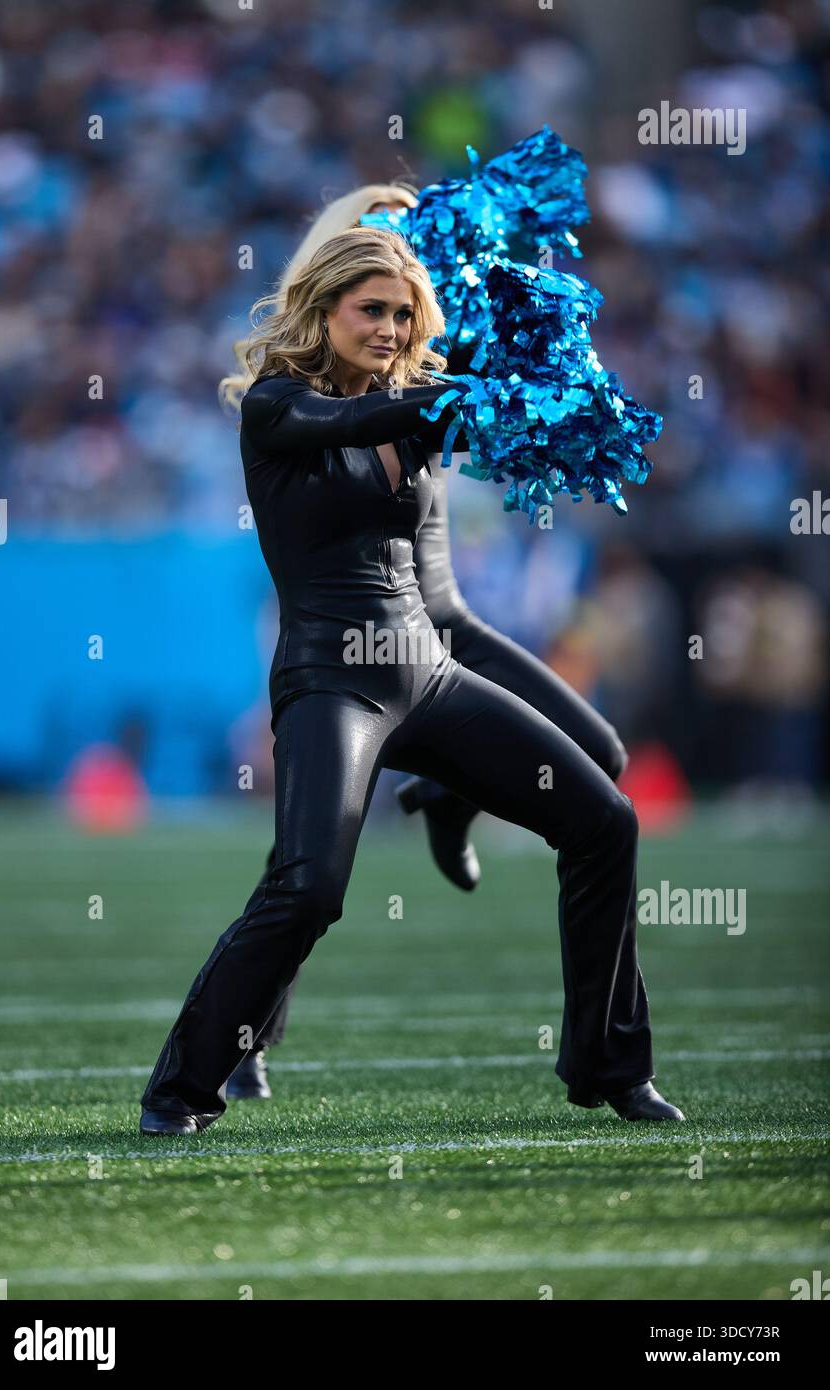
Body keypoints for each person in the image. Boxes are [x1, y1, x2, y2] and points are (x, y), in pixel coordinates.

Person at [139, 226, 683, 1134]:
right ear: (323, 311)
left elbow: (477, 389)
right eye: (371, 311)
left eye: (403, 314)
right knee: (309, 887)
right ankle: (182, 1089)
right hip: (331, 682)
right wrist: (461, 386)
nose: (391, 328)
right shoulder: (277, 405)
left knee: (603, 820)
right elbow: (356, 421)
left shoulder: (418, 397)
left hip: (426, 673)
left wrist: (536, 356)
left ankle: (610, 1068)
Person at [226, 185, 633, 1102]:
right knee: (309, 858)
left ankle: (447, 794)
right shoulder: (325, 386)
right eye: (374, 244)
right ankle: (244, 1030)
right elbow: (339, 312)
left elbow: (525, 363)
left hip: (444, 628)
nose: (391, 308)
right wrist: (352, 215)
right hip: (362, 638)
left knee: (600, 762)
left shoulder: (420, 341)